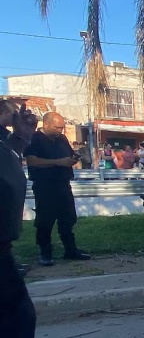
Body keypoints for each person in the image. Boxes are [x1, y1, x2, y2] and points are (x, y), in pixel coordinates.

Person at [1, 100, 67, 338]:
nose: (15, 115)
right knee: (17, 314)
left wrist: (20, 135)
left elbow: (13, 156)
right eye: (8, 111)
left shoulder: (6, 142)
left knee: (13, 314)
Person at [23, 112, 91, 266]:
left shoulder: (62, 139)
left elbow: (68, 155)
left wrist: (74, 158)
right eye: (57, 127)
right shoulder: (35, 138)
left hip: (63, 183)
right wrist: (58, 162)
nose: (60, 130)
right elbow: (32, 161)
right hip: (45, 184)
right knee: (45, 220)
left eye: (62, 127)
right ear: (46, 124)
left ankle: (70, 250)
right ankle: (45, 253)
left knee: (67, 218)